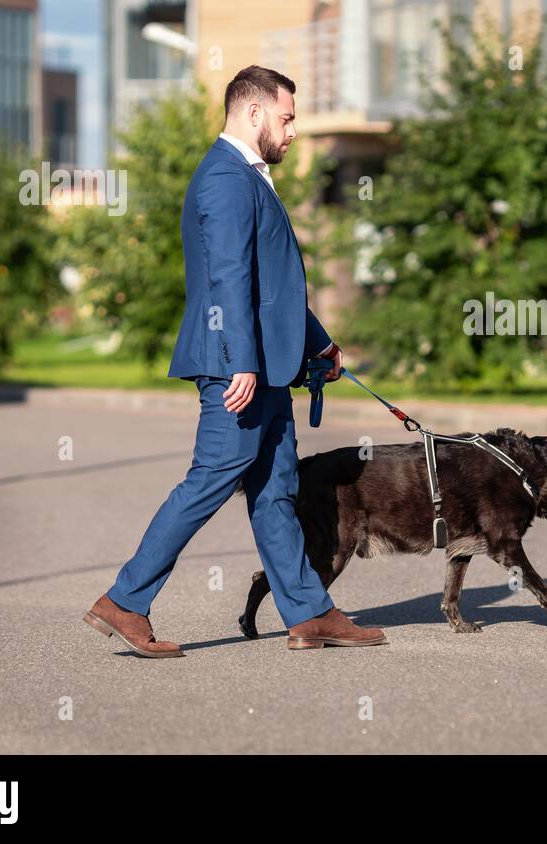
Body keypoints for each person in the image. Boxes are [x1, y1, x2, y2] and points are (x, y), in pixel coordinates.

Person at [84, 65, 386, 656]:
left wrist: (317, 344)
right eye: (287, 117)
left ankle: (309, 613)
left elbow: (271, 286)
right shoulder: (225, 178)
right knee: (210, 480)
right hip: (236, 367)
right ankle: (125, 600)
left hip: (263, 369)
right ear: (254, 113)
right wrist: (241, 361)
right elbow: (227, 280)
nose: (293, 131)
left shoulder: (250, 176)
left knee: (276, 489)